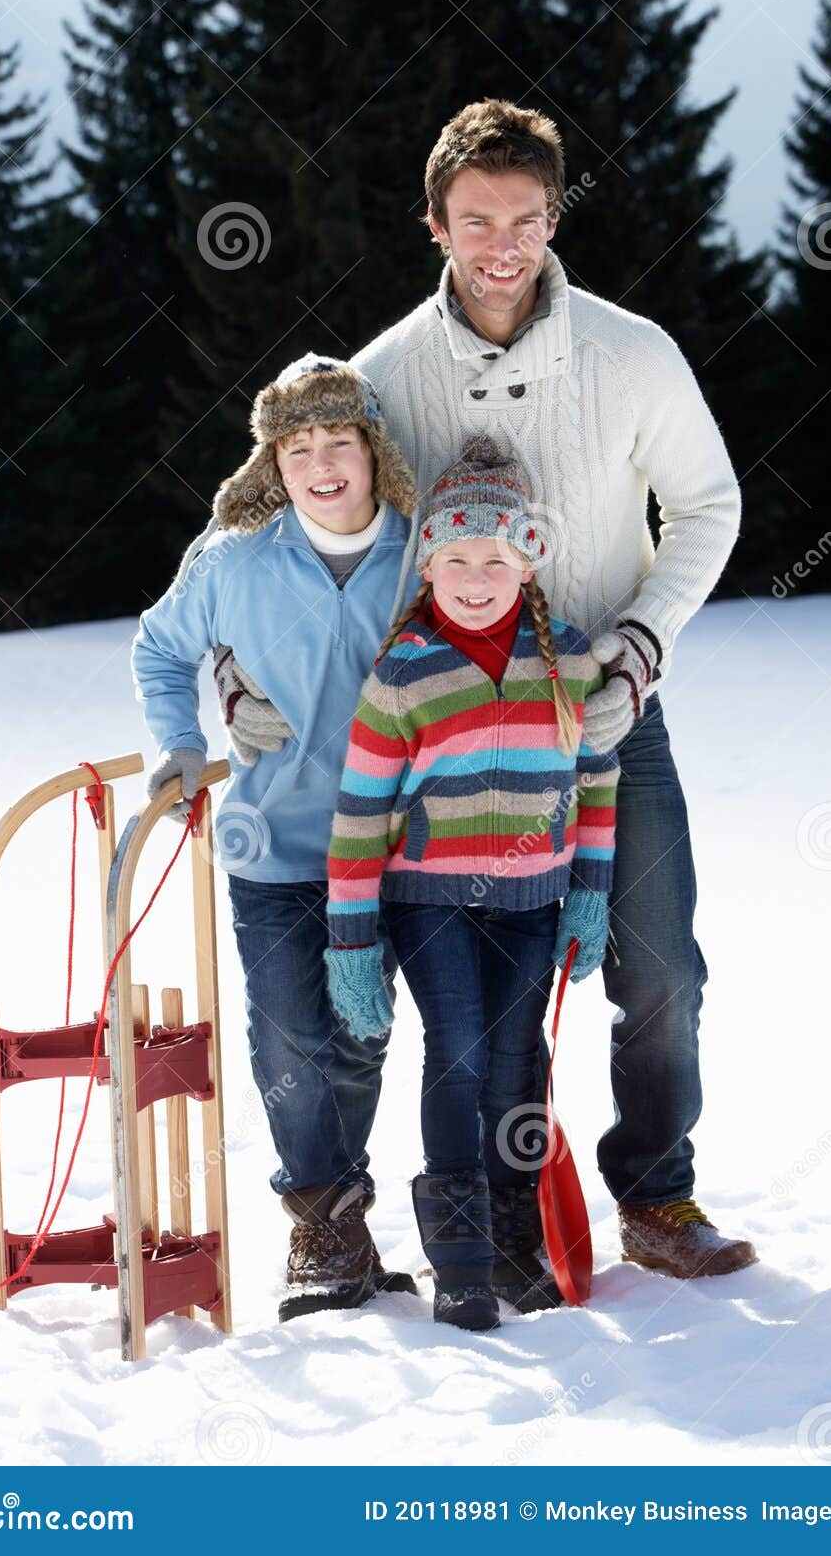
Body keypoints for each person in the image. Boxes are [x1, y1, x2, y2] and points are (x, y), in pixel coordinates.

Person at [213, 98, 757, 1280]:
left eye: (522, 217)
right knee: (445, 1004)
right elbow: (273, 506)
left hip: (604, 721)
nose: (499, 244)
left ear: (551, 217)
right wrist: (216, 659)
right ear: (434, 226)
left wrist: (636, 646)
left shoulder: (631, 353)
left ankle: (657, 1199)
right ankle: (408, 1211)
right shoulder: (384, 372)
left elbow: (708, 507)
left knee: (658, 968)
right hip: (431, 737)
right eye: (474, 221)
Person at [130, 354, 421, 1321]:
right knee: (292, 1033)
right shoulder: (234, 557)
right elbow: (160, 645)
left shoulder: (426, 550)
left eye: (339, 441)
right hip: (278, 843)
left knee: (363, 1034)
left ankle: (347, 1211)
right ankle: (320, 1223)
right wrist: (183, 736)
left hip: (405, 844)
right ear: (273, 463)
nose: (321, 464)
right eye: (297, 448)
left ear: (374, 450)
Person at [325, 436, 620, 1331]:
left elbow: (596, 780)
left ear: (527, 560)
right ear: (430, 565)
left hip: (534, 899)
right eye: (454, 557)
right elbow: (358, 813)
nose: (475, 575)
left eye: (495, 556)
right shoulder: (405, 670)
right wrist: (350, 936)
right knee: (454, 1052)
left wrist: (591, 888)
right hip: (429, 899)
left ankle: (511, 1239)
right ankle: (457, 1264)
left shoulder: (568, 662)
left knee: (513, 1061)